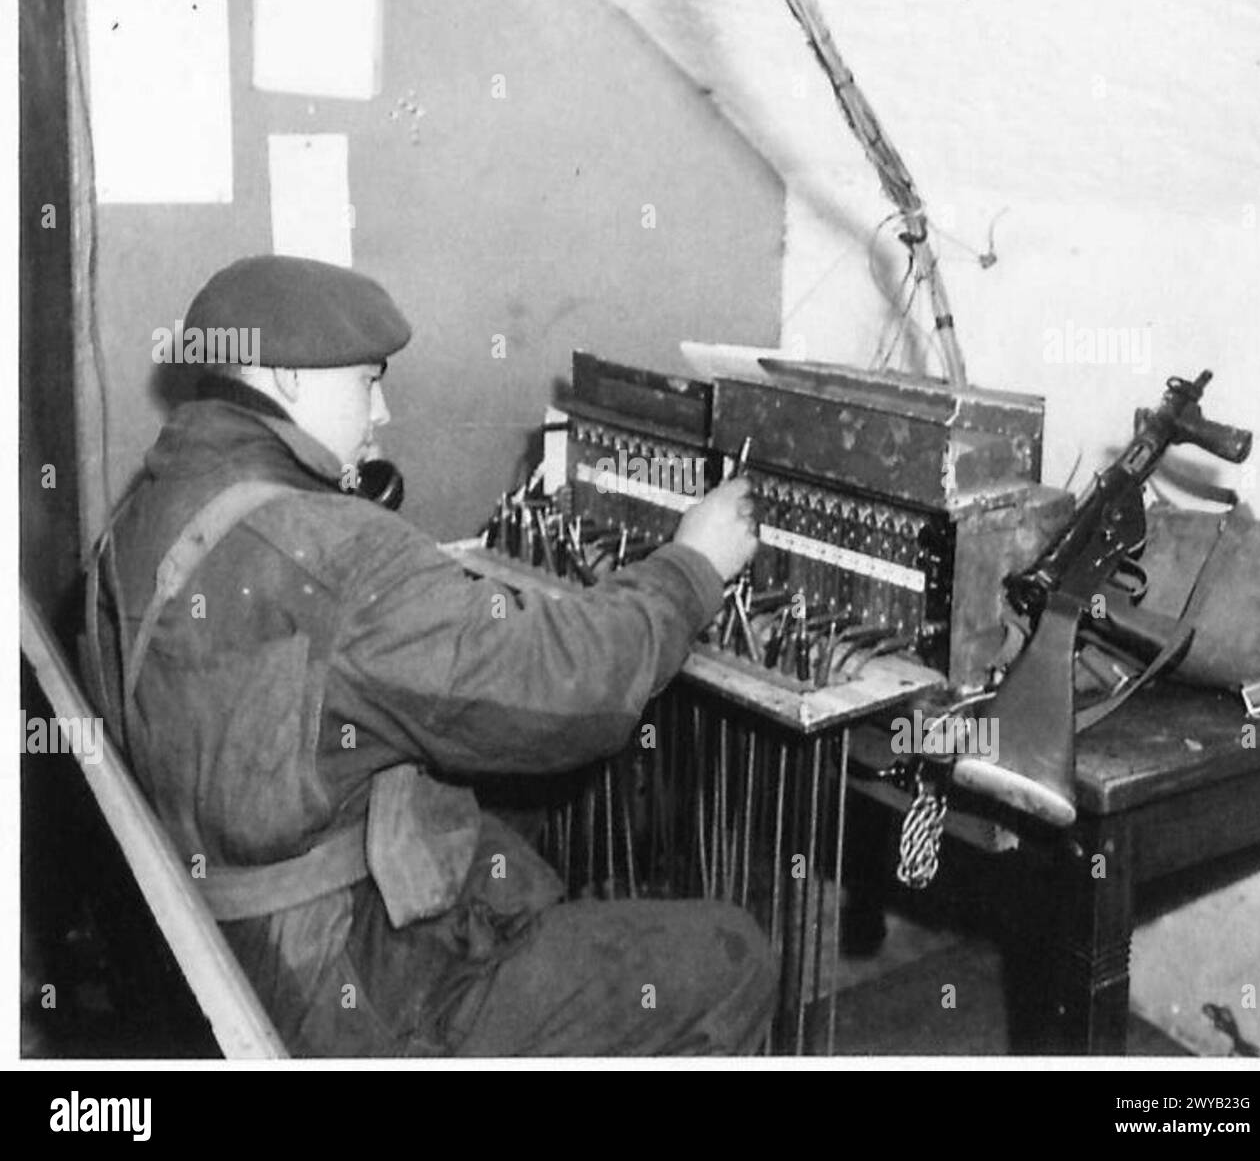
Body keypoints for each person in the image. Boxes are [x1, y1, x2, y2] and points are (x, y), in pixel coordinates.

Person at [85, 254, 776, 1057]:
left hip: (211, 946)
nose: (380, 412)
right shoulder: (334, 551)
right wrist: (692, 567)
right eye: (367, 381)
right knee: (733, 955)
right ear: (287, 378)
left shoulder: (144, 513)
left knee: (517, 849)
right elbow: (565, 691)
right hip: (334, 995)